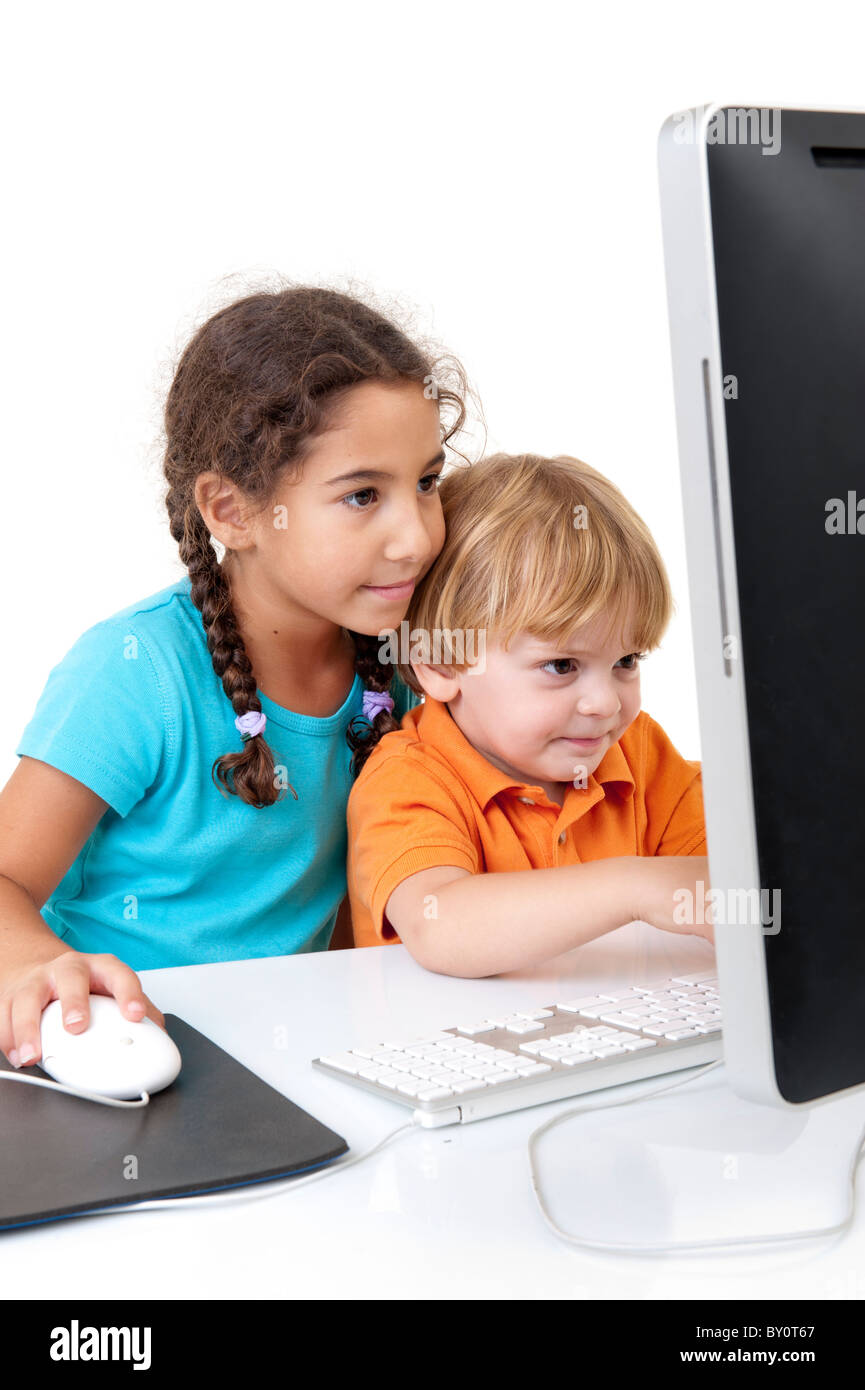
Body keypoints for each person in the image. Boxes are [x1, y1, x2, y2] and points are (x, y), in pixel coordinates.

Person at [0, 283, 469, 1066]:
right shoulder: (135, 672)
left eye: (426, 482)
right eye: (362, 495)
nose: (417, 537)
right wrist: (31, 967)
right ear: (230, 510)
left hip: (312, 1051)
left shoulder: (408, 661)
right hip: (139, 1050)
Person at [346, 452, 713, 976]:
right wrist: (635, 886)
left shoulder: (639, 752)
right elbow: (441, 926)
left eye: (626, 661)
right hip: (454, 1052)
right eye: (561, 665)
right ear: (440, 662)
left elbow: (727, 878)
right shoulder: (410, 779)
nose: (606, 703)